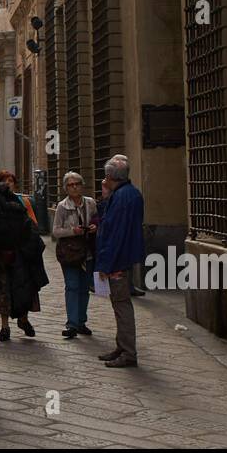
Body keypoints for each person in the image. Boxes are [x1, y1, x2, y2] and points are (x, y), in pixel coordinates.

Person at [95, 154, 145, 368]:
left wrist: (105, 264)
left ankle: (128, 352)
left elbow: (114, 233)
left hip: (118, 259)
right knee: (119, 304)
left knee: (121, 304)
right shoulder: (129, 193)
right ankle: (122, 346)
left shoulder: (122, 197)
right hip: (125, 256)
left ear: (110, 176)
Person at [0, 171, 47, 341]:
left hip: (21, 253)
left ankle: (23, 319)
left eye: (10, 181)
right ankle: (4, 327)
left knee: (24, 288)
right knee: (3, 291)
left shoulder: (24, 201)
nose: (8, 184)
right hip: (2, 254)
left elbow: (33, 224)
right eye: (4, 181)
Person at [51, 171, 98, 339]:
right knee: (72, 286)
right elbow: (56, 231)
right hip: (70, 253)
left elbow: (97, 220)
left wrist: (94, 227)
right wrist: (73, 231)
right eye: (71, 185)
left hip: (87, 252)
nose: (75, 187)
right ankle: (72, 324)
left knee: (84, 288)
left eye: (77, 183)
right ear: (66, 188)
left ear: (82, 185)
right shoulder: (62, 206)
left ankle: (81, 322)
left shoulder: (91, 203)